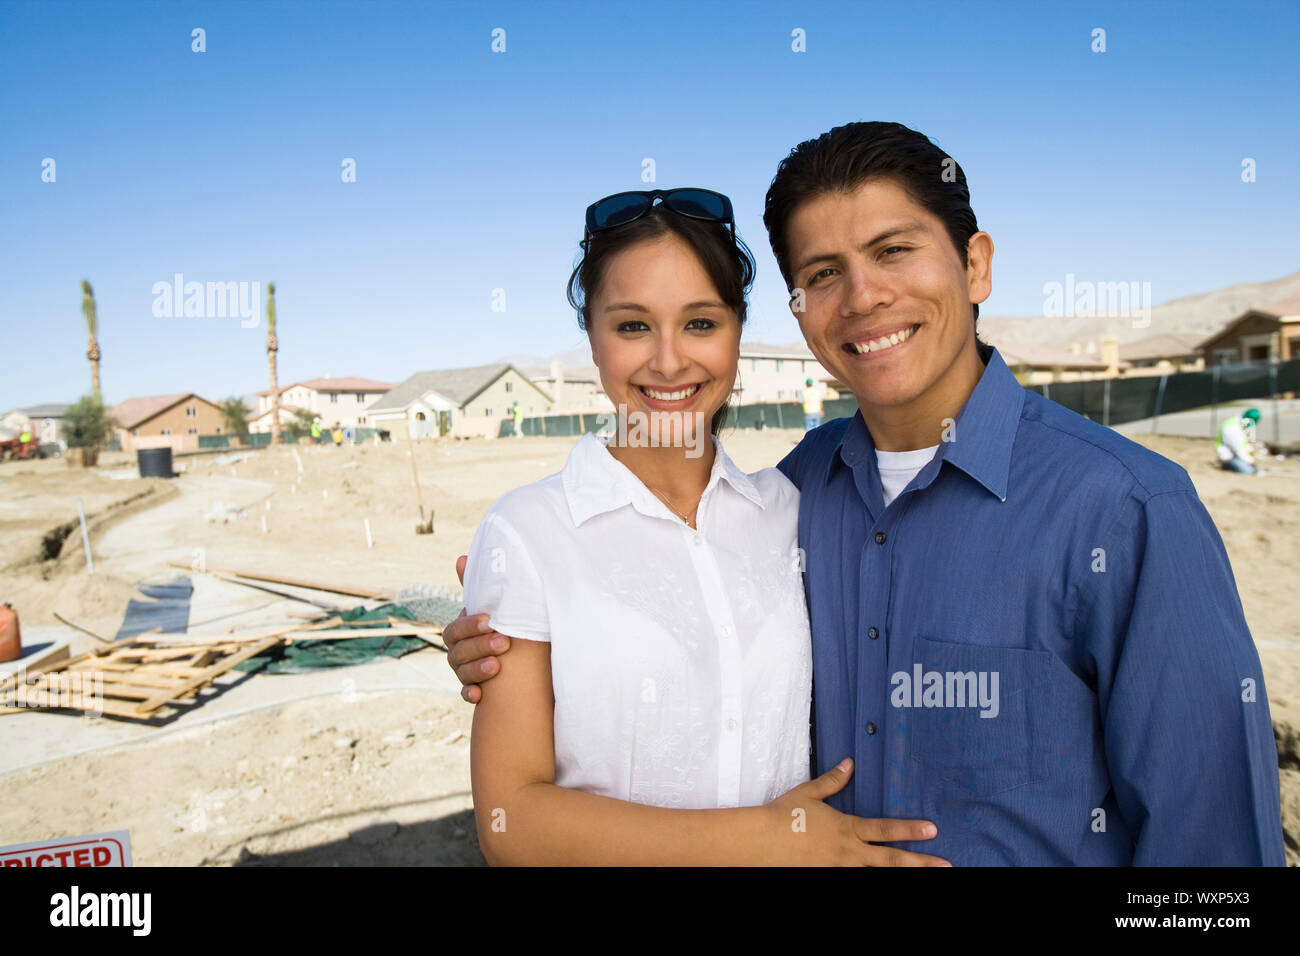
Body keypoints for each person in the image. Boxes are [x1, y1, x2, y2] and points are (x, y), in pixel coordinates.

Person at [446, 123, 1284, 866]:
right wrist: (508, 625)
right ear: (800, 311)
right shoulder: (802, 490)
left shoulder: (1127, 510)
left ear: (976, 263)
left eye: (894, 251)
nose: (864, 296)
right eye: (823, 272)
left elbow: (1211, 855)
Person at [460, 186, 947, 866]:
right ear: (592, 340)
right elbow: (511, 827)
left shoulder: (792, 508)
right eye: (632, 326)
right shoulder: (526, 531)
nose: (668, 360)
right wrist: (761, 842)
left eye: (700, 323)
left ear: (738, 333)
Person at [1216, 407, 1261, 474]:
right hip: (1228, 456)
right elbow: (1238, 449)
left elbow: (1242, 444)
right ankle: (1225, 465)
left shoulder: (1237, 423)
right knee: (1249, 471)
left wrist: (1249, 450)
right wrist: (1251, 461)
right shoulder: (1233, 428)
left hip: (1233, 453)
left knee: (1251, 467)